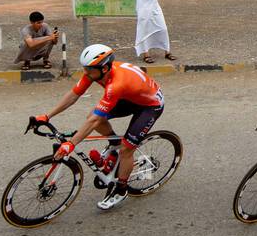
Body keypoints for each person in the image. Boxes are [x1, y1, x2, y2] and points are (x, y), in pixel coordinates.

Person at [37, 45, 165, 210]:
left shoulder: (116, 84)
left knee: (126, 149)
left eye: (89, 70)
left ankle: (121, 189)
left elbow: (95, 121)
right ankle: (114, 143)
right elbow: (74, 95)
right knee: (92, 115)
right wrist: (48, 115)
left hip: (150, 105)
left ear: (104, 68)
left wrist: (71, 143)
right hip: (131, 97)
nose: (86, 73)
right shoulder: (97, 72)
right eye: (85, 69)